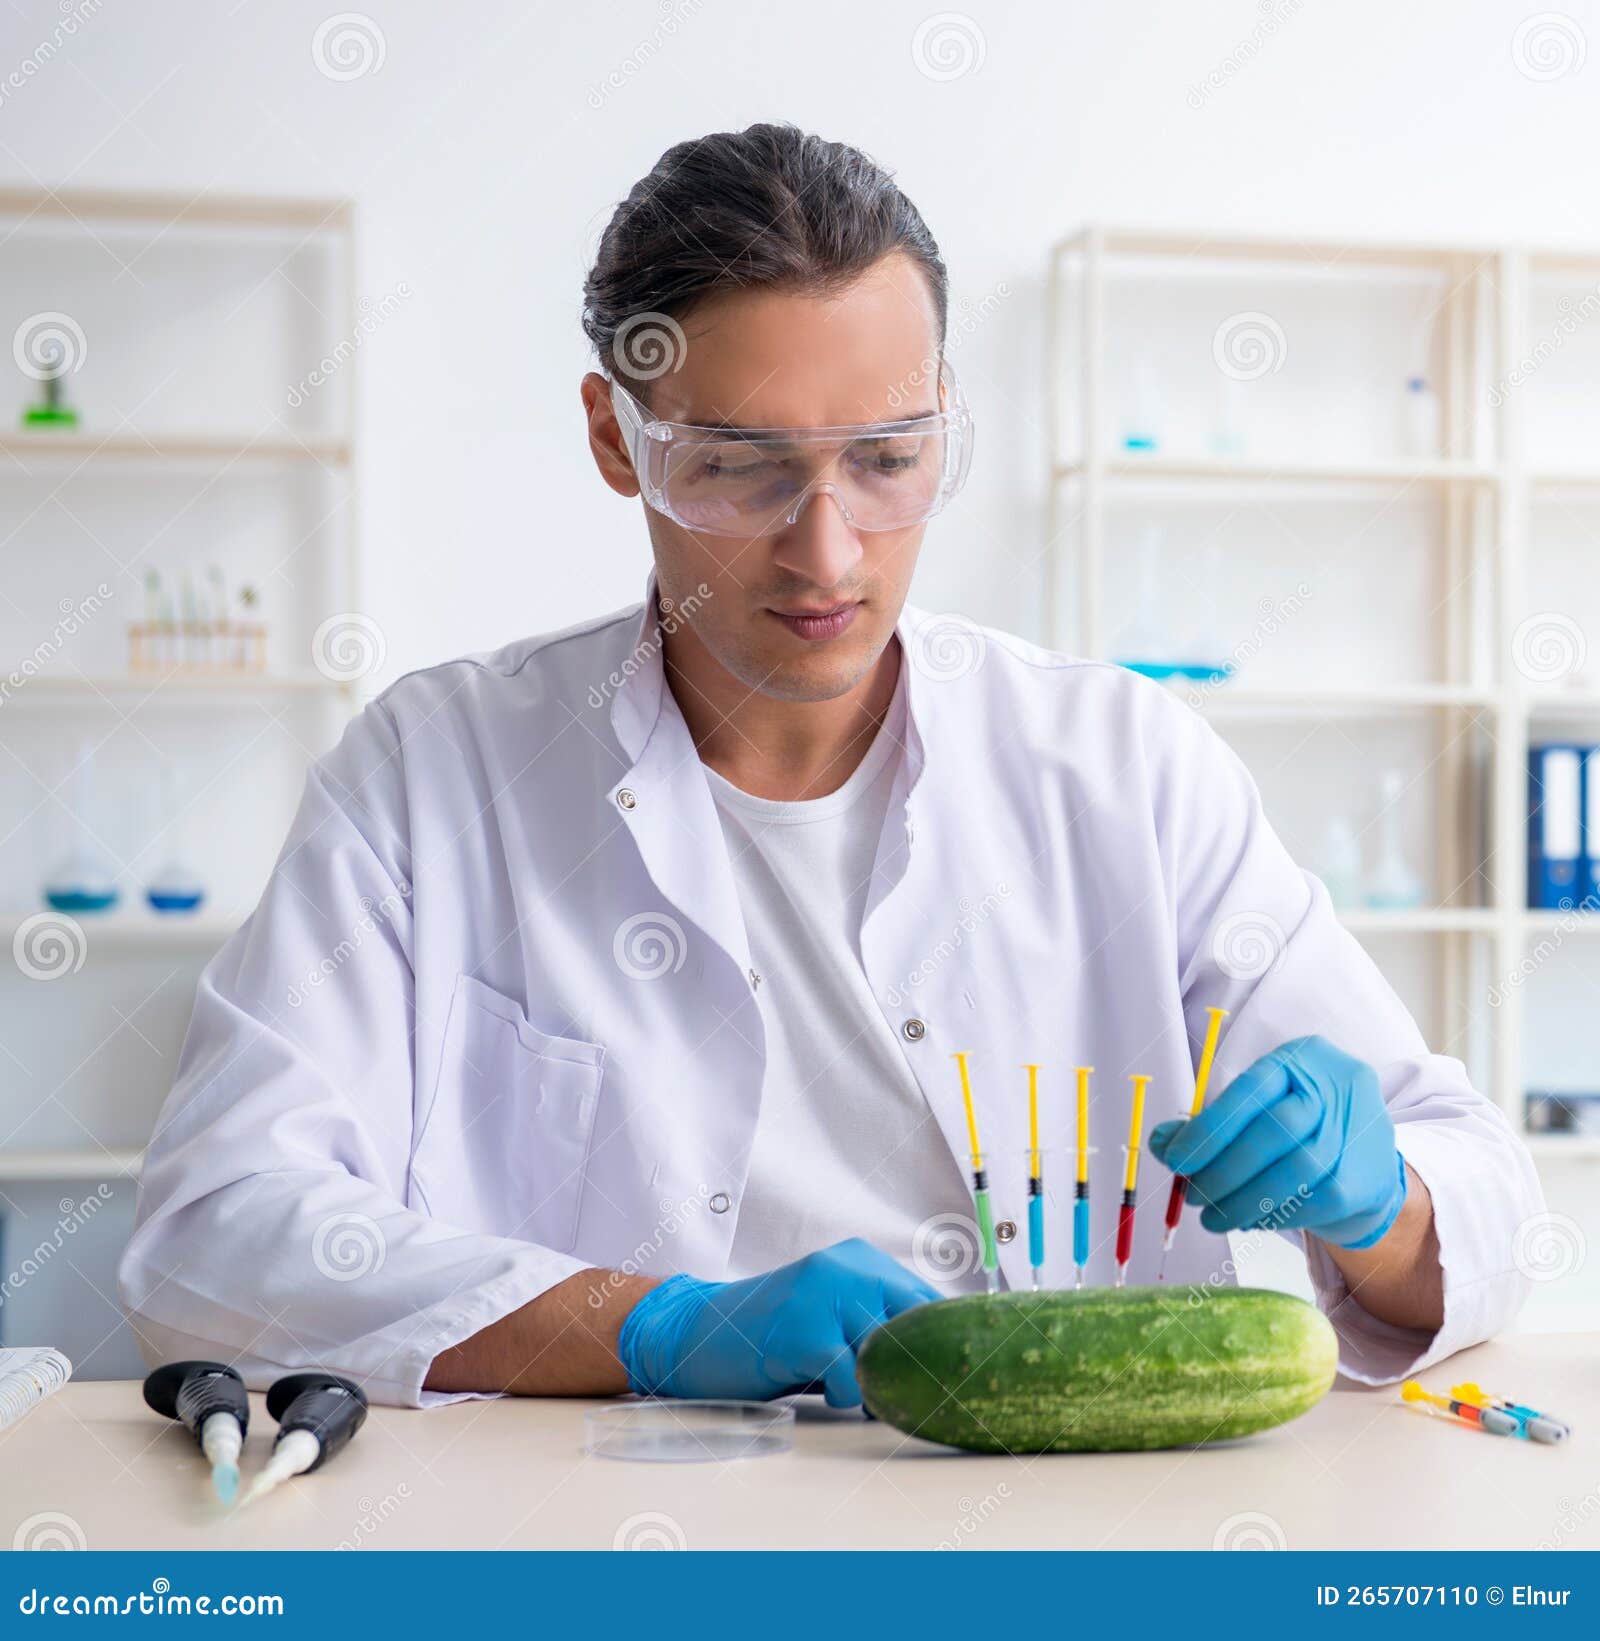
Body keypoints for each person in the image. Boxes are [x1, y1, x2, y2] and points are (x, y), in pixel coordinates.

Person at [118, 123, 1542, 1410]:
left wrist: (1382, 1206)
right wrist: (655, 1326)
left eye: (885, 457)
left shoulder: (1122, 766)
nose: (827, 550)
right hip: (594, 1547)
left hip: (1078, 1536)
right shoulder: (435, 780)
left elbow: (1486, 1209)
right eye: (741, 467)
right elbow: (214, 1232)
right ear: (618, 437)